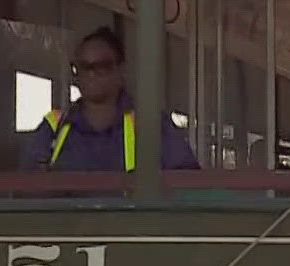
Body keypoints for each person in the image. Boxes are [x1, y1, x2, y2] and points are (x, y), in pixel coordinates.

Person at [18, 27, 201, 172]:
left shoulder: (150, 125)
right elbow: (27, 189)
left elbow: (187, 183)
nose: (91, 74)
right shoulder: (53, 128)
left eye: (101, 66)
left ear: (120, 70)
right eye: (83, 67)